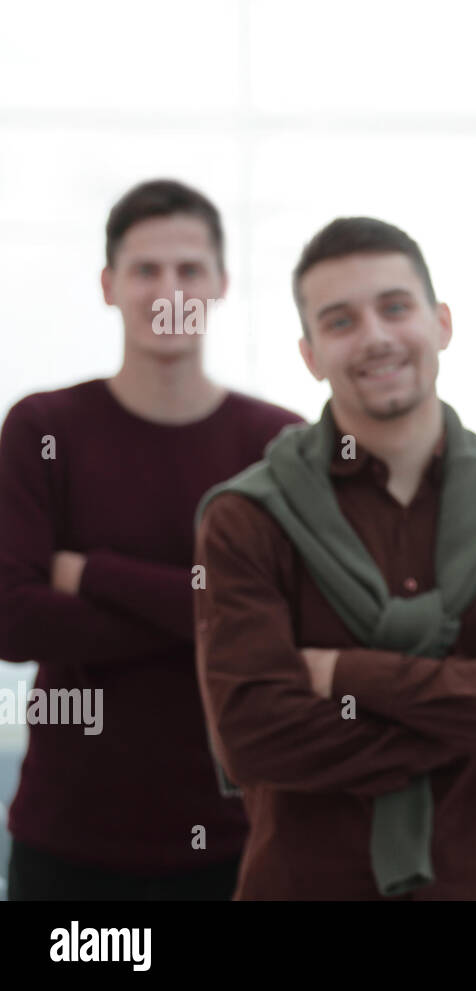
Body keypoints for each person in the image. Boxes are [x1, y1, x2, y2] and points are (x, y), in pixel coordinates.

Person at [194, 216, 476, 899]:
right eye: (341, 320)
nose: (377, 336)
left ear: (440, 322)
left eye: (394, 307)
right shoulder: (246, 516)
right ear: (310, 353)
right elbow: (253, 735)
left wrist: (347, 674)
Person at [0, 179, 303, 899]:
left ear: (222, 283)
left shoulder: (278, 443)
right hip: (68, 844)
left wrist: (95, 573)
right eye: (146, 269)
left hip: (239, 839)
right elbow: (12, 620)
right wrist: (212, 615)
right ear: (110, 285)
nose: (169, 288)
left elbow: (285, 628)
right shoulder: (42, 429)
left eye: (189, 269)